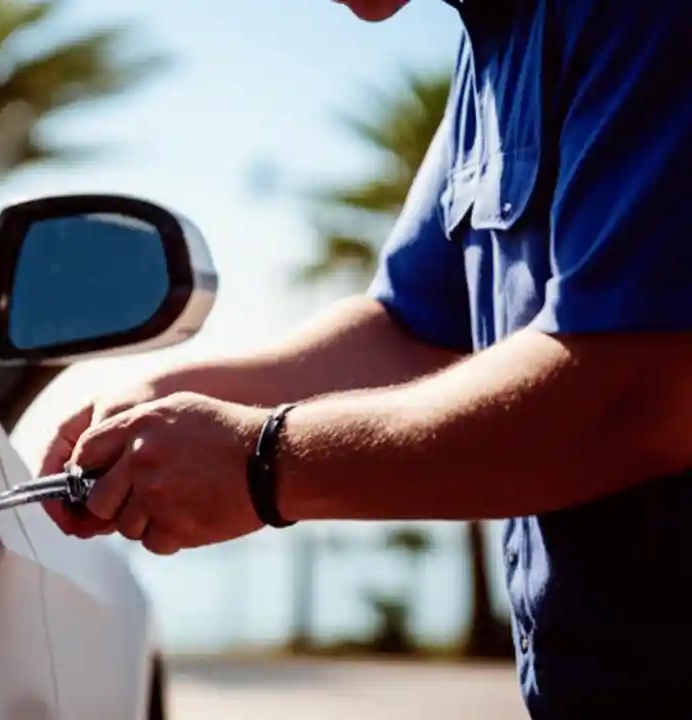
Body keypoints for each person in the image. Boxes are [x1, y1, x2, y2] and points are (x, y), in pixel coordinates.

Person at [38, 0, 692, 717]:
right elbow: (413, 330)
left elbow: (641, 393)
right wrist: (174, 396)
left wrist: (261, 464)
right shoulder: (493, 47)